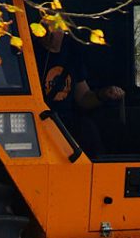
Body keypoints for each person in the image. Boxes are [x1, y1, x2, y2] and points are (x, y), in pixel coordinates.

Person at [36, 21, 123, 156]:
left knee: (88, 128)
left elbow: (83, 98)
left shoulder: (71, 57)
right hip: (39, 122)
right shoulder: (31, 56)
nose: (50, 31)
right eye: (45, 27)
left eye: (56, 26)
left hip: (65, 125)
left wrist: (103, 94)